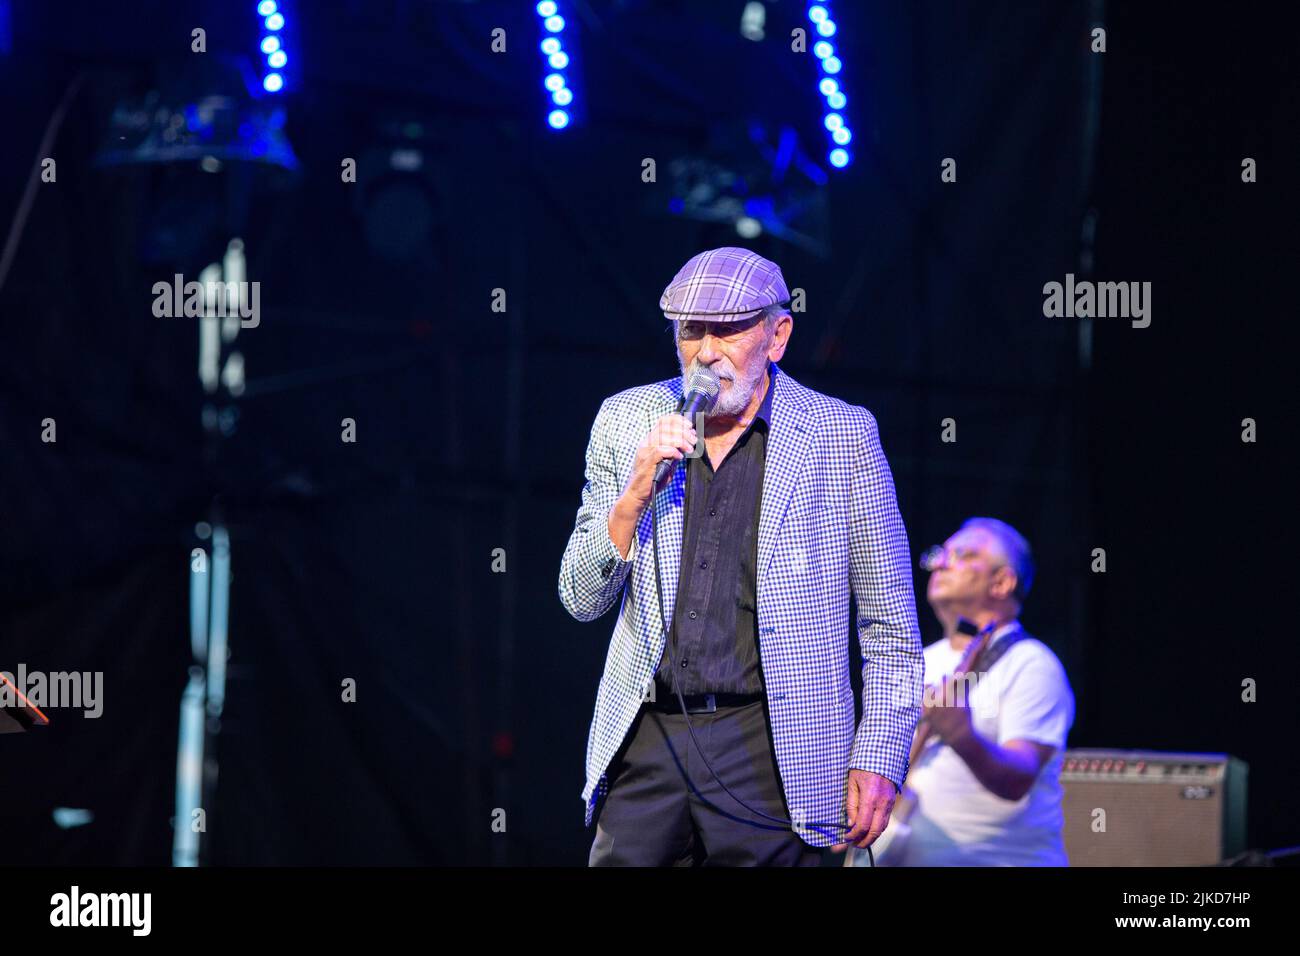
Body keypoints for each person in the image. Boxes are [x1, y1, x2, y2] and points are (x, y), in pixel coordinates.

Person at [558, 247, 923, 866]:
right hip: (649, 732)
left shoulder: (842, 435)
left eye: (726, 332)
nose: (705, 352)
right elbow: (579, 599)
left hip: (774, 741)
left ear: (777, 335)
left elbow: (889, 624)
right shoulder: (626, 421)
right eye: (690, 332)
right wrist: (634, 494)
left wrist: (879, 754)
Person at [867, 518, 1075, 866]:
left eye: (963, 554)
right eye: (941, 554)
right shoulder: (917, 661)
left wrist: (962, 735)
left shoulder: (1032, 664)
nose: (941, 563)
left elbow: (1018, 779)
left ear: (1002, 582)